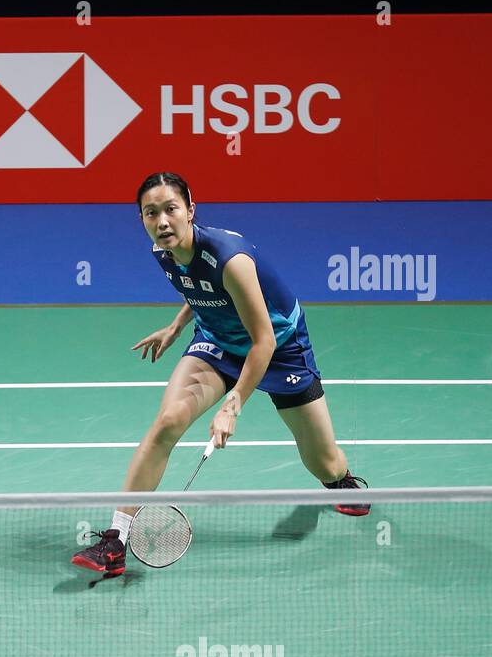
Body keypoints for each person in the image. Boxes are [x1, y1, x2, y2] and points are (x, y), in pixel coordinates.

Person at [73, 171, 369, 576]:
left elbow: (262, 340)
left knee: (324, 462)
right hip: (217, 342)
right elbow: (197, 286)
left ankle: (338, 479)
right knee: (168, 422)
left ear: (191, 211)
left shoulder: (232, 258)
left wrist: (234, 403)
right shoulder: (164, 252)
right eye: (150, 213)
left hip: (279, 348)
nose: (162, 222)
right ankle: (117, 538)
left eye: (171, 210)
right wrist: (177, 327)